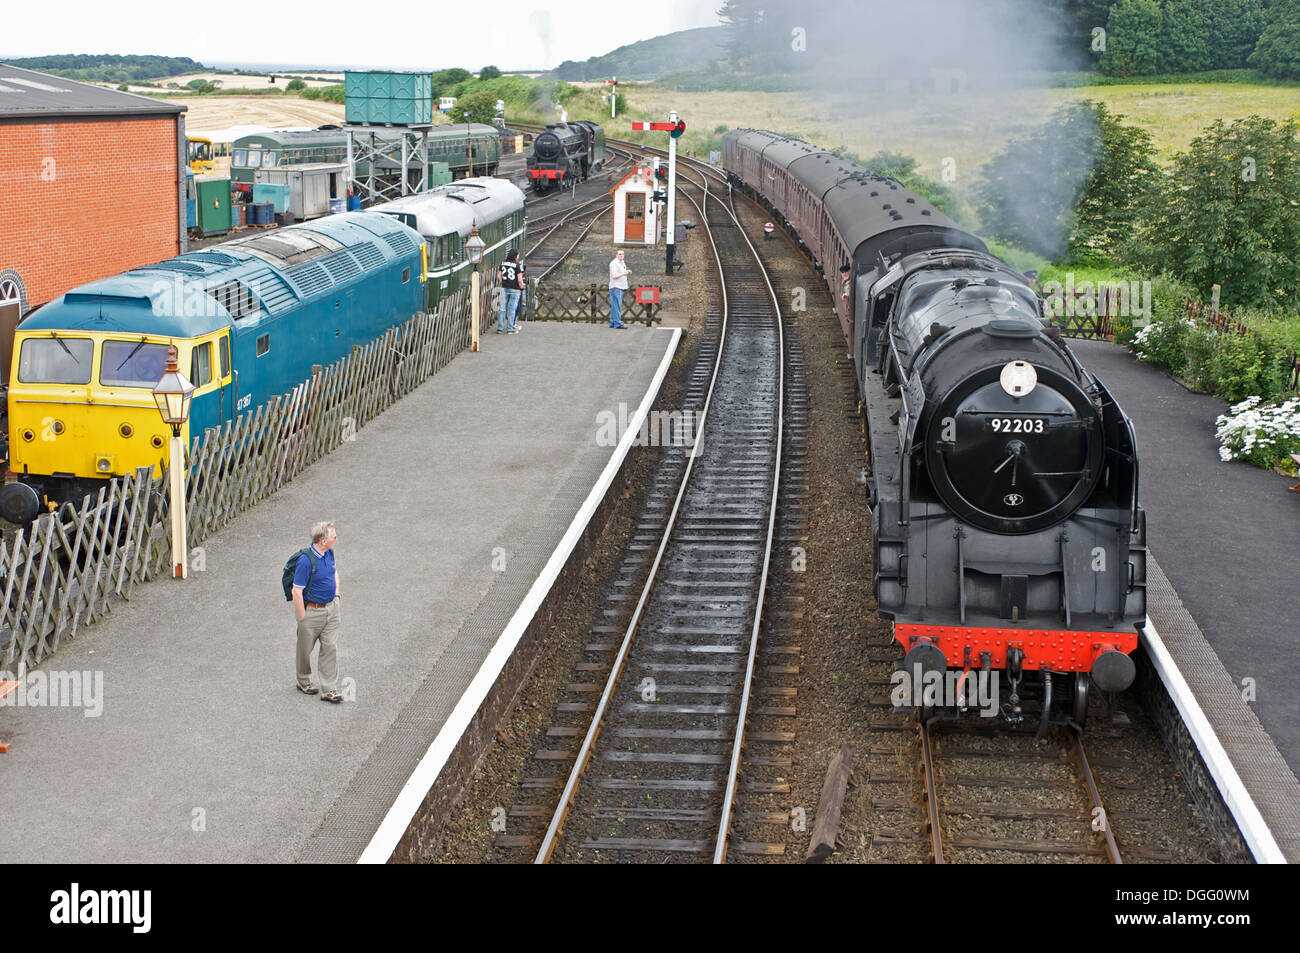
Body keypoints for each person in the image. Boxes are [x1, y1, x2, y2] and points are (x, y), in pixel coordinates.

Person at [292, 521, 343, 703]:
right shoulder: (306, 561)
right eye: (333, 536)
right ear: (323, 540)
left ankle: (329, 689)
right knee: (305, 649)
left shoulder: (329, 553)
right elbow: (296, 591)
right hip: (312, 612)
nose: (336, 539)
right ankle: (304, 680)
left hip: (332, 609)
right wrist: (302, 618)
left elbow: (333, 572)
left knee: (330, 647)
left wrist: (336, 595)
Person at [498, 249, 523, 334]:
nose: (518, 256)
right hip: (515, 289)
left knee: (502, 309)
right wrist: (521, 287)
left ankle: (500, 328)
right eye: (518, 255)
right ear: (515, 255)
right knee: (512, 309)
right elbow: (519, 279)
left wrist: (502, 282)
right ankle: (510, 328)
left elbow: (499, 276)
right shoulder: (517, 265)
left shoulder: (503, 263)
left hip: (504, 288)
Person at [609, 249, 631, 329]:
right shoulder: (614, 263)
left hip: (619, 286)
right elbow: (614, 276)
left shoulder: (622, 262)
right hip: (616, 287)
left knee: (615, 305)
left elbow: (622, 271)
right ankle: (618, 323)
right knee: (617, 306)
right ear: (616, 255)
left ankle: (612, 322)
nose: (621, 255)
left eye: (622, 254)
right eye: (619, 254)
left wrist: (627, 271)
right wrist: (624, 273)